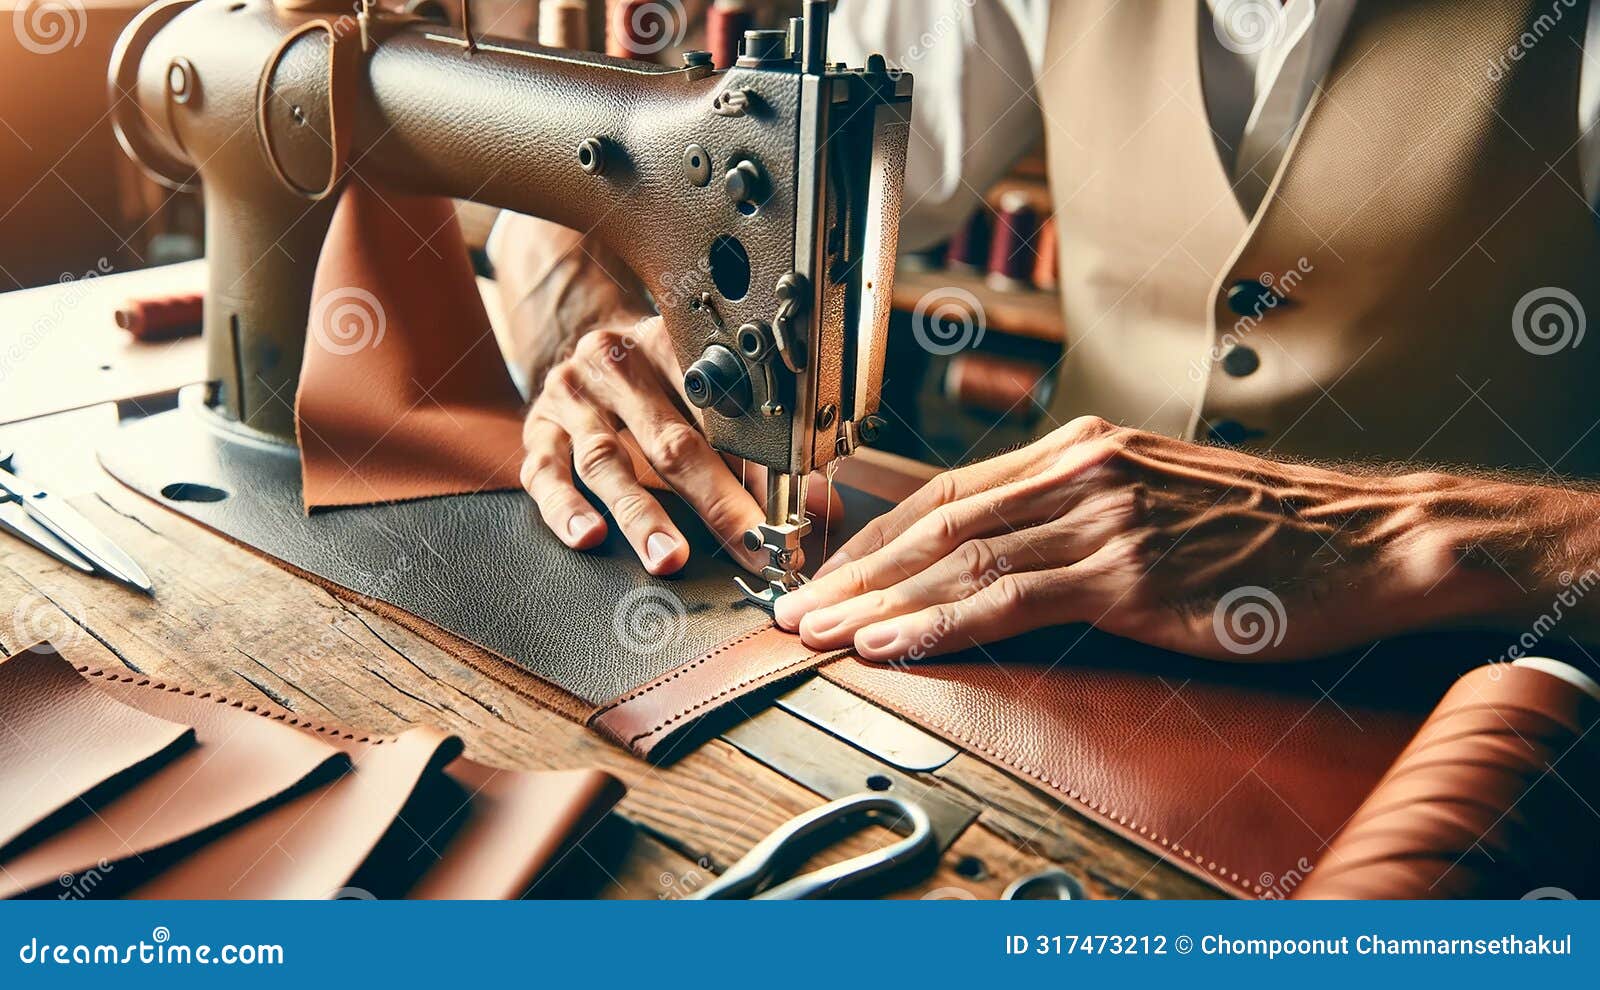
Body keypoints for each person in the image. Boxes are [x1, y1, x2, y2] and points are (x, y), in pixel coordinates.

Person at [498, 0, 1600, 664]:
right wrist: (609, 346)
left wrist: (1399, 536)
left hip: (1477, 678)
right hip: (1071, 644)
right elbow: (764, 197)